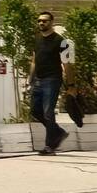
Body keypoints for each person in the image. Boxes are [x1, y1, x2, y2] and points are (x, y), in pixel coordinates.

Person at [29, 11, 71, 155]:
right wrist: (30, 77)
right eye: (39, 20)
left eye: (45, 21)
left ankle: (50, 146)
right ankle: (58, 132)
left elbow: (67, 64)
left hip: (52, 80)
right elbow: (34, 60)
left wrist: (71, 85)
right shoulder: (37, 39)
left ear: (52, 22)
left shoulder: (61, 41)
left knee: (48, 113)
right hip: (38, 80)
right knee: (35, 110)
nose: (41, 23)